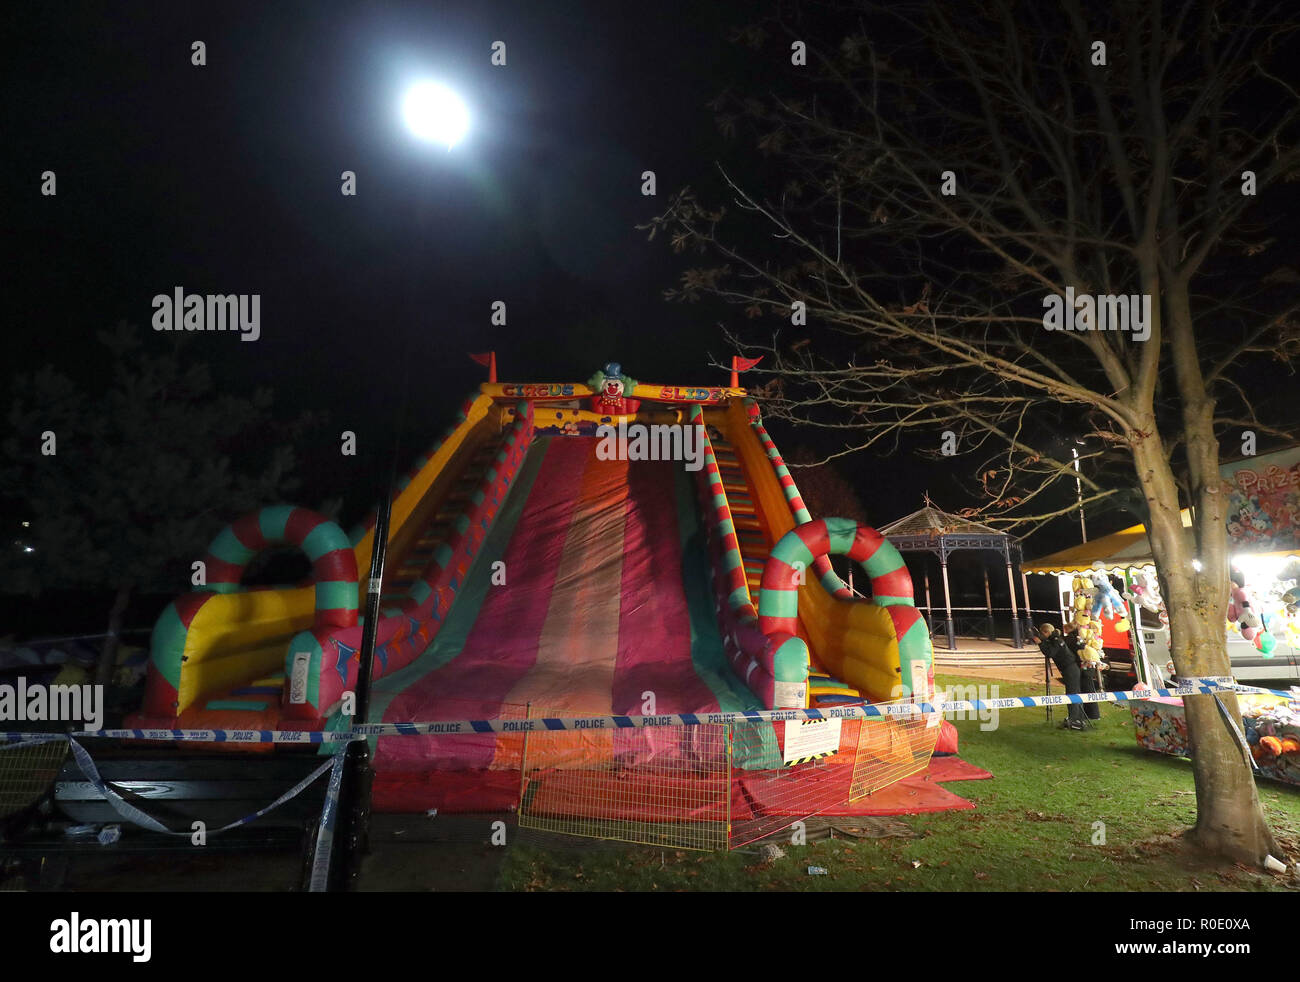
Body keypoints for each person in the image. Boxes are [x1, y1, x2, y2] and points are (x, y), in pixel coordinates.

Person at [1038, 623, 1086, 729]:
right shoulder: (1055, 639)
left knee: (1072, 694)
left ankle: (1075, 720)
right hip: (1070, 669)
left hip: (1070, 669)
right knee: (1074, 693)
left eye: (1043, 633)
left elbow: (1050, 652)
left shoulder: (1056, 640)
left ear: (1047, 632)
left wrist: (1040, 643)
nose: (1042, 636)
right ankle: (1077, 718)